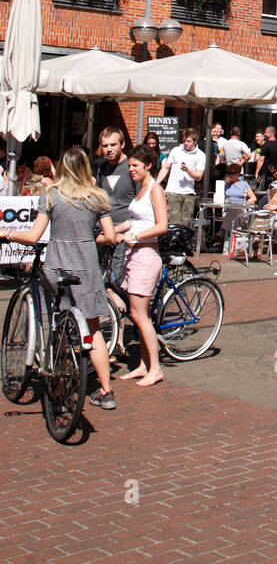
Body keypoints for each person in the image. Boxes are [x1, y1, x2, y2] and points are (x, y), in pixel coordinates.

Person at [0, 146, 118, 411]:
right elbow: (110, 236)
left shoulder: (52, 195)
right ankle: (106, 391)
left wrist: (7, 234)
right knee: (94, 329)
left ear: (61, 168)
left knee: (57, 324)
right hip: (87, 267)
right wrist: (89, 239)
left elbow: (33, 236)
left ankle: (58, 385)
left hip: (58, 265)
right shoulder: (98, 197)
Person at [112, 144, 169, 387]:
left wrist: (135, 237)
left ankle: (155, 368)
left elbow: (162, 226)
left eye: (135, 166)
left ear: (148, 166)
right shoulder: (141, 188)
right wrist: (114, 230)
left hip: (146, 255)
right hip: (133, 254)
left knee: (139, 314)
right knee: (138, 314)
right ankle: (144, 365)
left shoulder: (155, 190)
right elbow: (135, 220)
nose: (131, 169)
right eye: (129, 166)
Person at [94, 127, 136, 286]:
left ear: (122, 144)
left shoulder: (131, 167)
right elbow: (98, 199)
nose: (109, 149)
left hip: (124, 231)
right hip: (104, 231)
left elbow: (141, 200)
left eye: (113, 145)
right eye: (105, 146)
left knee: (116, 280)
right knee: (98, 277)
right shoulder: (102, 168)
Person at [157, 128, 205, 226]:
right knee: (173, 223)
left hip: (188, 192)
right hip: (173, 191)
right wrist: (156, 183)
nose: (185, 143)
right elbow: (166, 168)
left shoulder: (200, 155)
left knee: (186, 225)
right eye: (184, 141)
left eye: (188, 141)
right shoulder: (176, 151)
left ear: (195, 141)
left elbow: (199, 176)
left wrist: (188, 170)